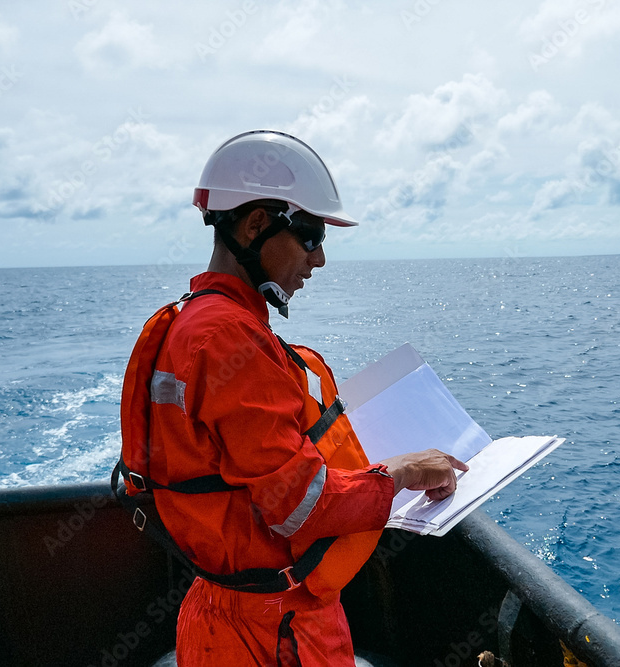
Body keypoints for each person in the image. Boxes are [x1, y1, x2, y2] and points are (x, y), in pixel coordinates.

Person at [133, 130, 466, 666]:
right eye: (311, 236)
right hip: (272, 634)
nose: (319, 260)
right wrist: (403, 470)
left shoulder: (196, 323)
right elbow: (300, 509)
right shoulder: (229, 341)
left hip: (227, 616)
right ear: (257, 224)